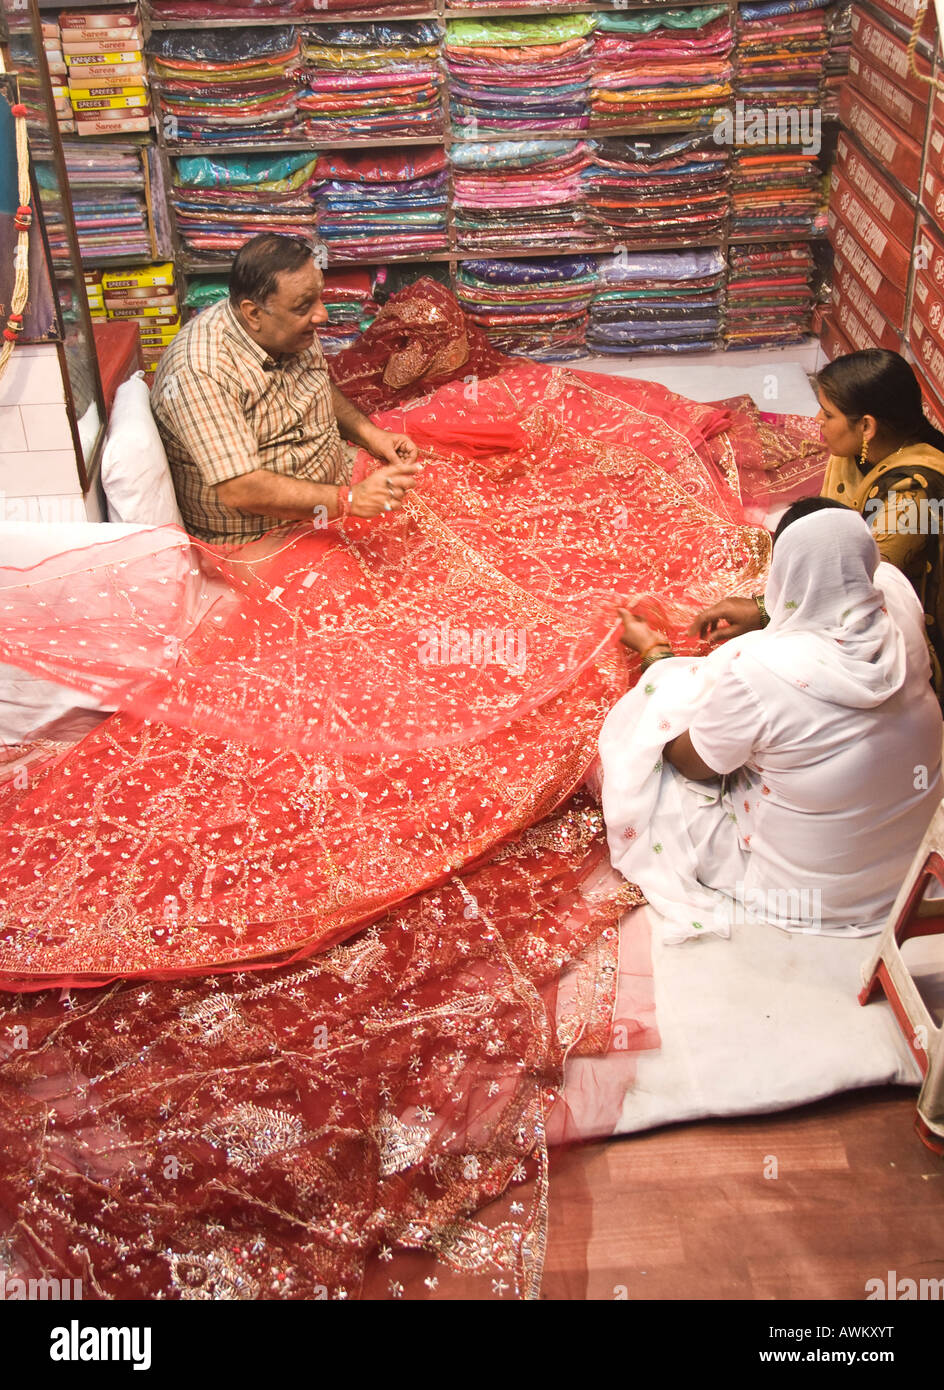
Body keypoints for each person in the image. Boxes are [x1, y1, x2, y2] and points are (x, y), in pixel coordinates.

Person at [601, 502, 942, 941]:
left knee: (641, 758)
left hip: (808, 893)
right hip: (910, 877)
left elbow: (693, 762)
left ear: (783, 572)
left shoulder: (761, 669)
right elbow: (862, 578)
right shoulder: (900, 605)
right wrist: (764, 612)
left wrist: (656, 658)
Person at [152, 232, 421, 544]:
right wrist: (349, 500)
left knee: (448, 503)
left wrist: (372, 436)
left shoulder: (287, 329)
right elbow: (239, 487)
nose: (322, 315)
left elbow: (317, 384)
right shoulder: (201, 369)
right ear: (253, 314)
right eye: (304, 305)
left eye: (319, 298)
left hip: (330, 497)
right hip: (260, 538)